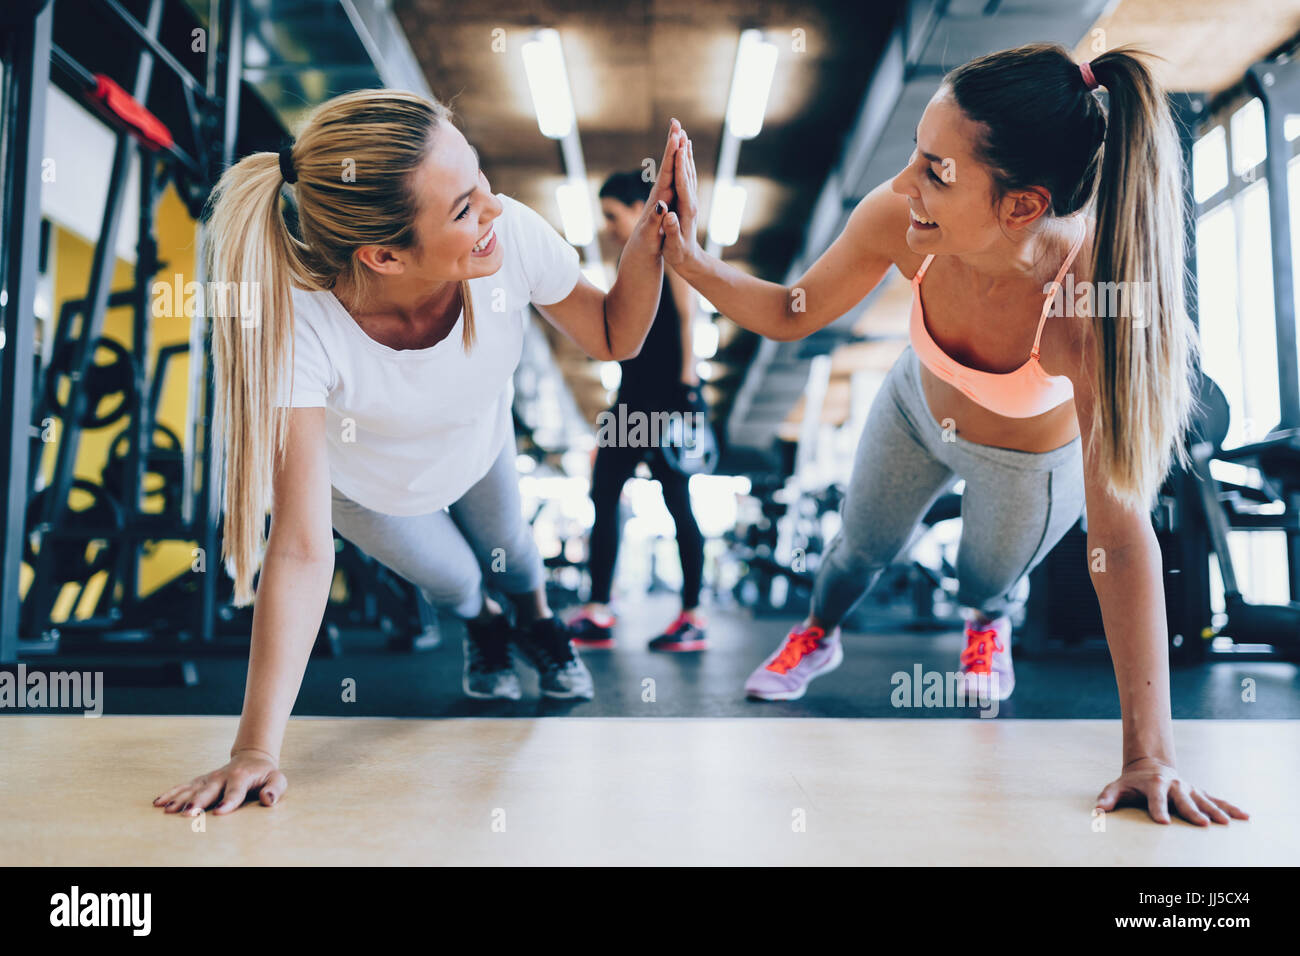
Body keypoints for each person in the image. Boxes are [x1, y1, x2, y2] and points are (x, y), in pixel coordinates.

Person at [659, 45, 1247, 826]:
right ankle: (816, 634)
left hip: (1030, 462)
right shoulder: (902, 221)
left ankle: (989, 618)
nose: (906, 184)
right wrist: (689, 260)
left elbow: (1120, 537)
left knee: (980, 581)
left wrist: (1149, 756)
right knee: (854, 552)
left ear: (1022, 207)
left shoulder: (1088, 306)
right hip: (913, 410)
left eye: (937, 170)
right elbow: (792, 311)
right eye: (916, 155)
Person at [154, 90, 685, 815]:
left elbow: (613, 335)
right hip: (368, 487)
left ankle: (537, 622)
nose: (494, 209)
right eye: (464, 208)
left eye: (480, 181)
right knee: (455, 581)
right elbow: (303, 548)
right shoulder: (298, 328)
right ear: (383, 255)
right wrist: (255, 748)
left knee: (512, 551)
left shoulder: (510, 240)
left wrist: (648, 246)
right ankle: (487, 628)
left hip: (476, 439)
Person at [566, 171, 709, 652]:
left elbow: (689, 319)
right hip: (629, 401)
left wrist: (688, 386)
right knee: (603, 496)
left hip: (668, 399)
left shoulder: (672, 253)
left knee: (678, 505)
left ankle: (692, 615)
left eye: (612, 215)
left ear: (637, 210)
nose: (607, 226)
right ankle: (598, 609)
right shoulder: (626, 264)